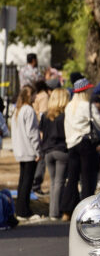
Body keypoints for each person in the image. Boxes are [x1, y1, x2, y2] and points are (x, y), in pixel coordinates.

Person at [61, 78, 100, 214]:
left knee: (72, 178)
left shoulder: (69, 106)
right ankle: (86, 210)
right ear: (85, 91)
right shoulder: (87, 105)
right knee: (87, 178)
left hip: (72, 144)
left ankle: (67, 210)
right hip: (86, 144)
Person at [11, 86, 42, 222]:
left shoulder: (17, 110)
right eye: (34, 95)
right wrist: (38, 150)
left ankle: (20, 209)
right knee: (27, 182)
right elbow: (33, 133)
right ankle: (24, 211)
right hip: (29, 151)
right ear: (30, 96)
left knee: (22, 181)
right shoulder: (29, 110)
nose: (36, 97)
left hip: (20, 150)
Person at [39, 88, 69, 220]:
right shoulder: (64, 116)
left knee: (52, 182)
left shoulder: (45, 116)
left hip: (48, 151)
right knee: (60, 182)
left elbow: (41, 134)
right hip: (61, 150)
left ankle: (52, 211)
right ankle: (56, 211)